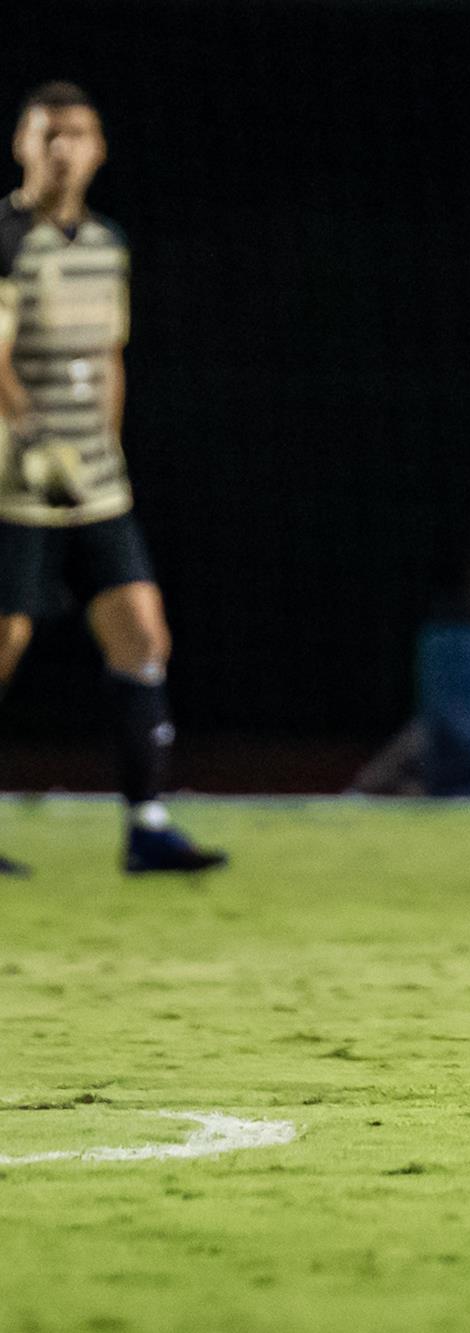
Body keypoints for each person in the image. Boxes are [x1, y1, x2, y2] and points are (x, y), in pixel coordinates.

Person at [0, 82, 225, 875]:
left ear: (99, 150)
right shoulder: (5, 237)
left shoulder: (105, 242)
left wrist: (104, 448)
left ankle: (147, 825)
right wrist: (34, 438)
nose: (63, 149)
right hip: (15, 480)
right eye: (48, 134)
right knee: (5, 641)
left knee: (142, 634)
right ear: (22, 144)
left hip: (95, 481)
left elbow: (108, 357)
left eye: (78, 135)